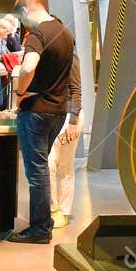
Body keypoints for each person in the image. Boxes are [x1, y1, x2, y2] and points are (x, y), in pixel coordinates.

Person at [8, 0, 75, 244]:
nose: (23, 24)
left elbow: (27, 66)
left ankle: (40, 229)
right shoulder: (65, 33)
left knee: (36, 173)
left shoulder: (38, 34)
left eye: (21, 19)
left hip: (36, 111)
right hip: (58, 111)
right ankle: (42, 224)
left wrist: (20, 92)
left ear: (25, 12)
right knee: (41, 169)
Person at [48, 58, 84, 229]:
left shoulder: (71, 59)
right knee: (49, 164)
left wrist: (73, 121)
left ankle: (62, 209)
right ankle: (52, 207)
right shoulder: (48, 58)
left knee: (65, 166)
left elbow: (76, 91)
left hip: (69, 118)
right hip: (53, 116)